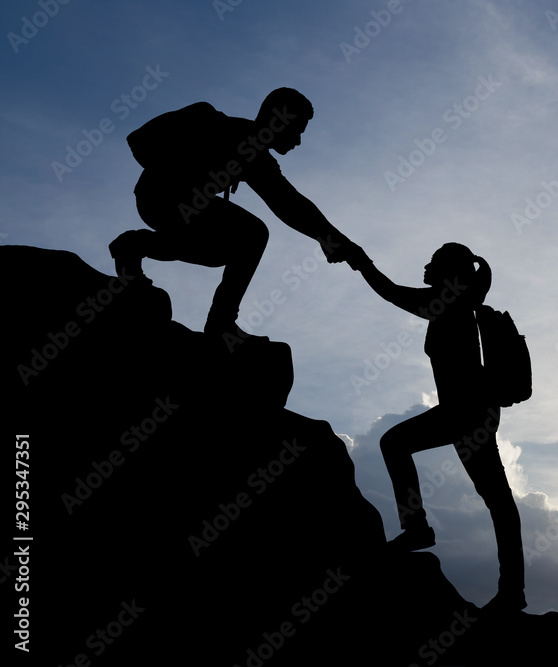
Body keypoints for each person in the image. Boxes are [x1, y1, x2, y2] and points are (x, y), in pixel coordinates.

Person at [350, 242, 526, 612]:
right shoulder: (455, 301)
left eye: (433, 262)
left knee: (395, 445)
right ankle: (512, 591)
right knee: (498, 502)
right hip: (473, 411)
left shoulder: (447, 301)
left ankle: (417, 528)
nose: (426, 267)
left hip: (466, 411)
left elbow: (390, 291)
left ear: (448, 271)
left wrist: (362, 262)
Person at [109, 87, 355, 340]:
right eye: (297, 130)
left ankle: (135, 245)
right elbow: (138, 140)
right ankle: (221, 324)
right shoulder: (212, 121)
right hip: (159, 197)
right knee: (253, 233)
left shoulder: (258, 160)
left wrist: (327, 237)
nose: (298, 141)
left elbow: (289, 204)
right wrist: (184, 169)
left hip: (186, 208)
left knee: (222, 252)